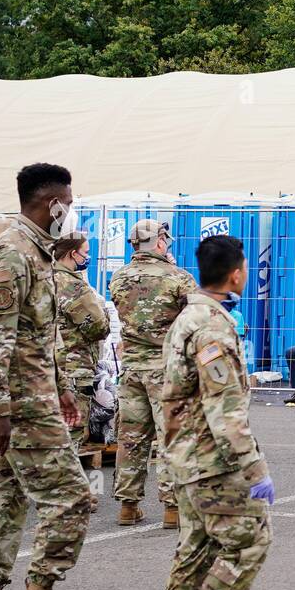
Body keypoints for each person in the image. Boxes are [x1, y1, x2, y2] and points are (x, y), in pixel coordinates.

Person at [0, 163, 92, 590]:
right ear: (52, 204)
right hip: (18, 403)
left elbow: (33, 334)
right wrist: (0, 406)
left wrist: (59, 386)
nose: (71, 212)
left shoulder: (37, 254)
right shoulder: (13, 254)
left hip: (24, 396)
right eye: (69, 203)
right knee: (72, 498)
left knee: (0, 502)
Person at [157, 235, 274, 590]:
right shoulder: (212, 327)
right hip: (211, 458)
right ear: (237, 273)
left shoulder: (189, 316)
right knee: (251, 539)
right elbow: (223, 409)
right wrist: (253, 466)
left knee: (196, 545)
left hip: (182, 455)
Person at [108, 218, 194, 529]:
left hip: (132, 367)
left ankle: (128, 506)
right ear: (159, 242)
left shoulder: (118, 278)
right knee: (171, 436)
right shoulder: (178, 278)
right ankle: (173, 508)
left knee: (131, 437)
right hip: (166, 368)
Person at [52, 231, 110, 510]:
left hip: (45, 367)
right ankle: (70, 495)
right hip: (73, 368)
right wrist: (104, 312)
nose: (87, 257)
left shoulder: (40, 279)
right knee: (72, 430)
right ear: (71, 253)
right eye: (84, 252)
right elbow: (98, 326)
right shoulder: (73, 286)